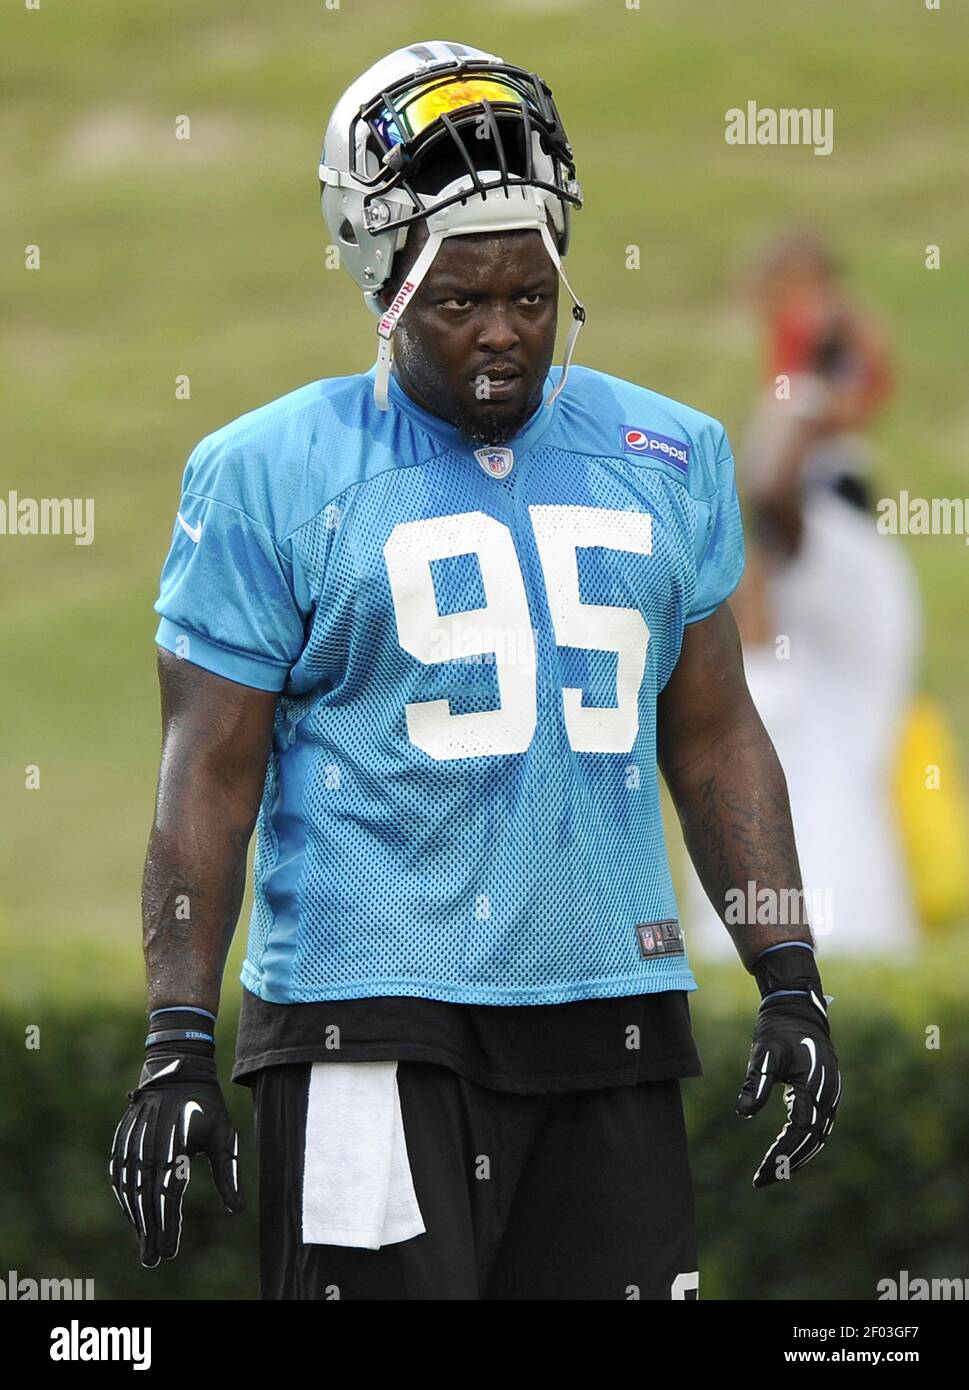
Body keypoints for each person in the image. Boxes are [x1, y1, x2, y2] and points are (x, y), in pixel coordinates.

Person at [109, 41, 841, 1301]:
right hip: (368, 1020)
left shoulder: (668, 451)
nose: (504, 336)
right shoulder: (268, 471)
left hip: (613, 1010)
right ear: (383, 287)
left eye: (529, 296)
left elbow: (716, 736)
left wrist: (791, 976)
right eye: (461, 303)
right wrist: (178, 1037)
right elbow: (207, 778)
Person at [688, 229, 921, 959]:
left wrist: (812, 378)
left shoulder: (849, 564)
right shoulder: (765, 634)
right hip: (744, 964)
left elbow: (771, 490)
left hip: (845, 935)